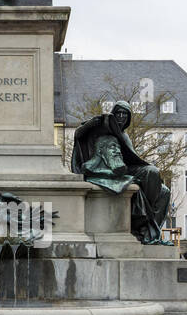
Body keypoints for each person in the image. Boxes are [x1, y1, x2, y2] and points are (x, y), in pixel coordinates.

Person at [71, 102, 173, 245]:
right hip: (106, 167)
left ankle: (148, 230)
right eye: (118, 113)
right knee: (152, 171)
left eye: (125, 114)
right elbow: (78, 135)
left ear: (129, 117)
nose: (121, 117)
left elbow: (132, 159)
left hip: (127, 168)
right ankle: (144, 225)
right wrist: (90, 124)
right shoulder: (100, 128)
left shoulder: (125, 136)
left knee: (164, 192)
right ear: (113, 113)